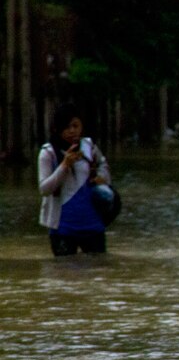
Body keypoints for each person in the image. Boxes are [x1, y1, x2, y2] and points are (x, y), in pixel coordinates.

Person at [38, 104, 112, 256]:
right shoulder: (48, 153)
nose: (72, 131)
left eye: (75, 126)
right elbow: (44, 189)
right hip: (63, 227)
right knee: (63, 272)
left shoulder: (89, 147)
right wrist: (65, 165)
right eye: (66, 127)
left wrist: (101, 178)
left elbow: (104, 167)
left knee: (99, 272)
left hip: (93, 225)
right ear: (57, 129)